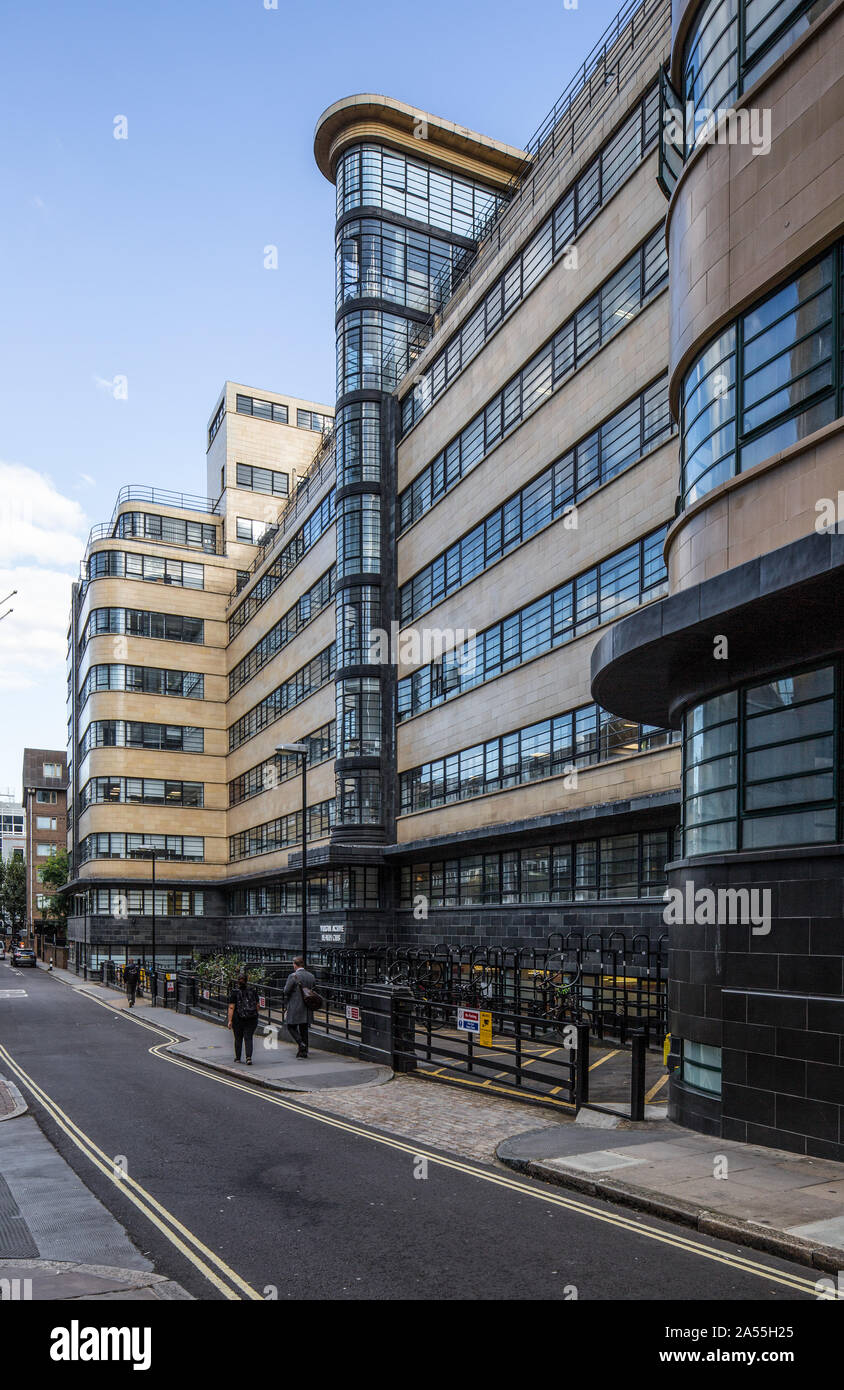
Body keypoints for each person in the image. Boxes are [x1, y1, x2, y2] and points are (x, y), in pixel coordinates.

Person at [283, 955, 316, 1058]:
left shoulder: (293, 976)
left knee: (290, 1026)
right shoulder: (311, 976)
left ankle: (301, 1043)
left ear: (295, 965)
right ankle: (304, 1052)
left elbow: (286, 991)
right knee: (304, 1029)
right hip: (307, 1006)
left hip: (295, 1006)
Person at [227, 971, 260, 1064]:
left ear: (238, 981)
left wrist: (230, 1020)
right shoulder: (253, 991)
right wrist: (255, 1015)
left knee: (238, 1038)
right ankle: (248, 1057)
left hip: (238, 1019)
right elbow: (257, 1005)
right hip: (252, 1019)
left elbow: (231, 1007)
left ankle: (238, 1058)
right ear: (247, 980)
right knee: (248, 1038)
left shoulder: (234, 992)